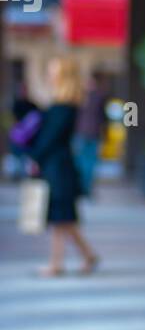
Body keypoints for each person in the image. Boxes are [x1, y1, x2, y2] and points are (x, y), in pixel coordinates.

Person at [26, 56, 99, 278]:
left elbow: (50, 139)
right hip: (57, 166)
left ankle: (56, 264)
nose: (49, 76)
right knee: (64, 218)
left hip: (59, 168)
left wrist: (34, 157)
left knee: (60, 218)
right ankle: (87, 255)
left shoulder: (64, 106)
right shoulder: (62, 104)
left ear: (63, 76)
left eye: (53, 72)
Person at [74, 70, 110, 197]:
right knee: (89, 163)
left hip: (82, 133)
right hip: (92, 133)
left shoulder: (81, 96)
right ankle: (86, 189)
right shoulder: (100, 96)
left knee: (83, 162)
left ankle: (83, 188)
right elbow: (104, 118)